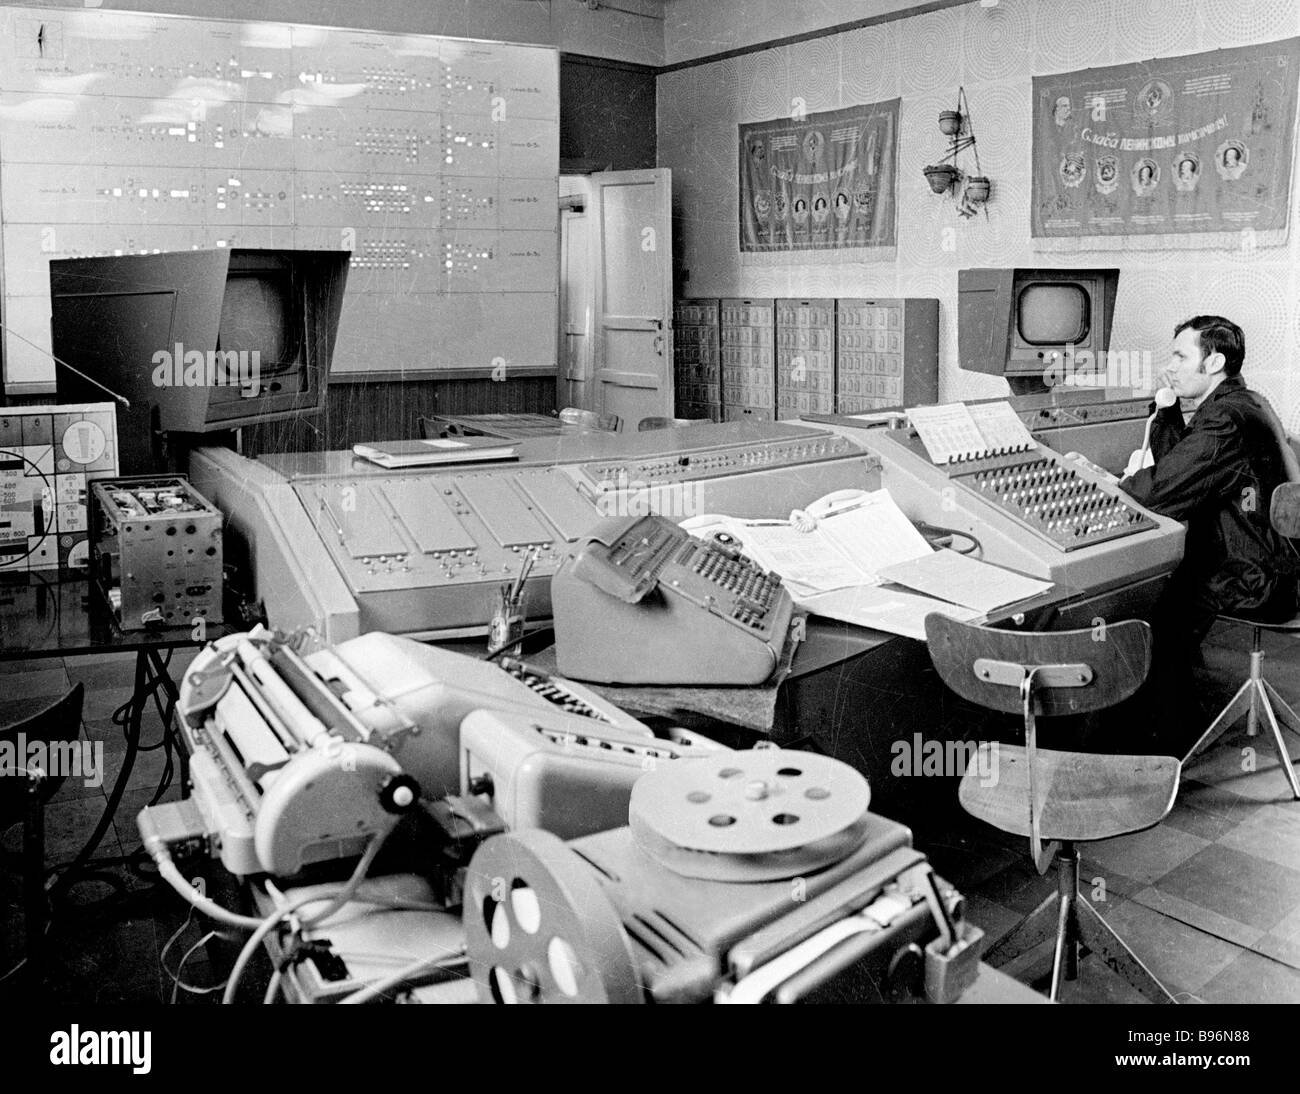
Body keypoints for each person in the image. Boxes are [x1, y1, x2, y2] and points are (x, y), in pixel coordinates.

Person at [1119, 316, 1299, 754]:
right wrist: (1165, 409)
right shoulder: (1247, 401)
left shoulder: (1223, 417)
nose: (1171, 366)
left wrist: (1103, 485)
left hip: (1257, 580)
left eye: (1181, 356)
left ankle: (1164, 746)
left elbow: (1162, 492)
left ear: (1214, 361)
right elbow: (1183, 465)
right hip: (1280, 568)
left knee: (1148, 617)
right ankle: (1177, 717)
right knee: (1170, 597)